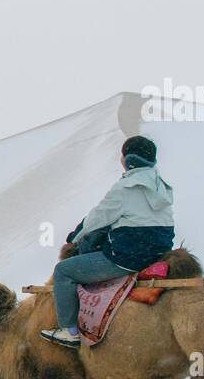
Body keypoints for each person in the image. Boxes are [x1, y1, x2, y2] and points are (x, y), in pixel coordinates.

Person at [40, 136, 175, 349]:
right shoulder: (162, 189)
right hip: (158, 255)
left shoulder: (125, 188)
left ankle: (69, 331)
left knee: (63, 271)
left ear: (128, 160)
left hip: (127, 259)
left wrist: (74, 237)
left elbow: (97, 218)